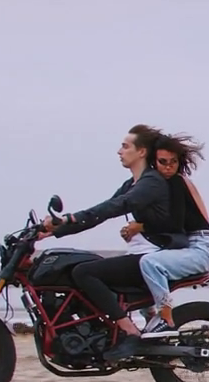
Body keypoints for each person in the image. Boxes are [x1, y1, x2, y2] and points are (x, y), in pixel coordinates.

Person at [40, 126, 178, 361]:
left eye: (125, 146)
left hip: (152, 258)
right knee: (82, 271)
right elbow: (100, 214)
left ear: (142, 152)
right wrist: (52, 231)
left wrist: (68, 218)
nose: (119, 151)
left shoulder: (152, 182)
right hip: (138, 257)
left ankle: (129, 331)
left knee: (84, 272)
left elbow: (117, 206)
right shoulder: (131, 185)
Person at [120, 132, 209, 335]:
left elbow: (174, 223)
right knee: (136, 264)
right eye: (163, 162)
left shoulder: (176, 183)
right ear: (154, 161)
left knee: (149, 263)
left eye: (173, 162)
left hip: (198, 247)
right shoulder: (158, 184)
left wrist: (140, 227)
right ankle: (149, 319)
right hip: (185, 245)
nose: (169, 167)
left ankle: (165, 316)